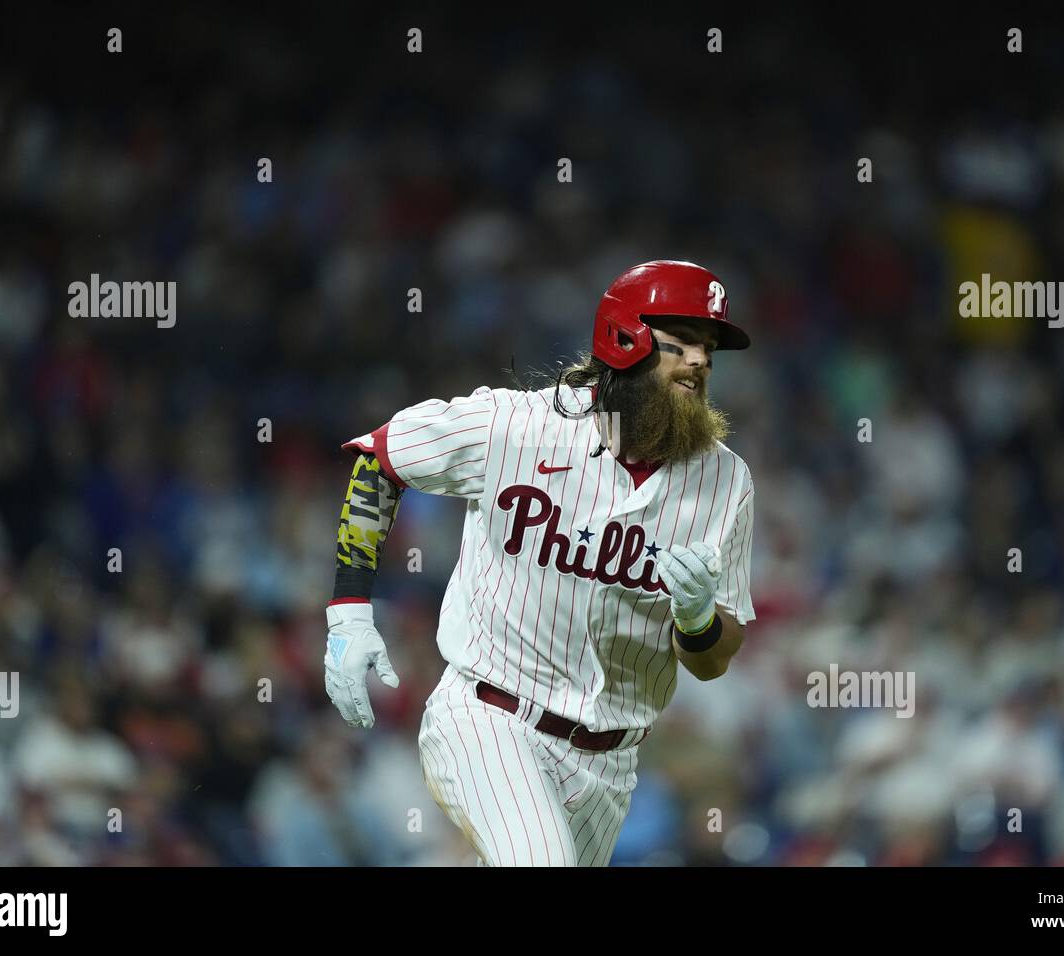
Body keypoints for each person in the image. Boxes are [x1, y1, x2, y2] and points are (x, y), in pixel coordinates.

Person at [324, 260, 756, 866]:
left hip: (611, 764)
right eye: (680, 342)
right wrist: (348, 610)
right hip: (491, 719)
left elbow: (713, 662)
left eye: (708, 347)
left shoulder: (726, 481)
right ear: (623, 338)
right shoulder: (517, 425)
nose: (700, 361)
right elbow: (383, 456)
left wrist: (697, 618)